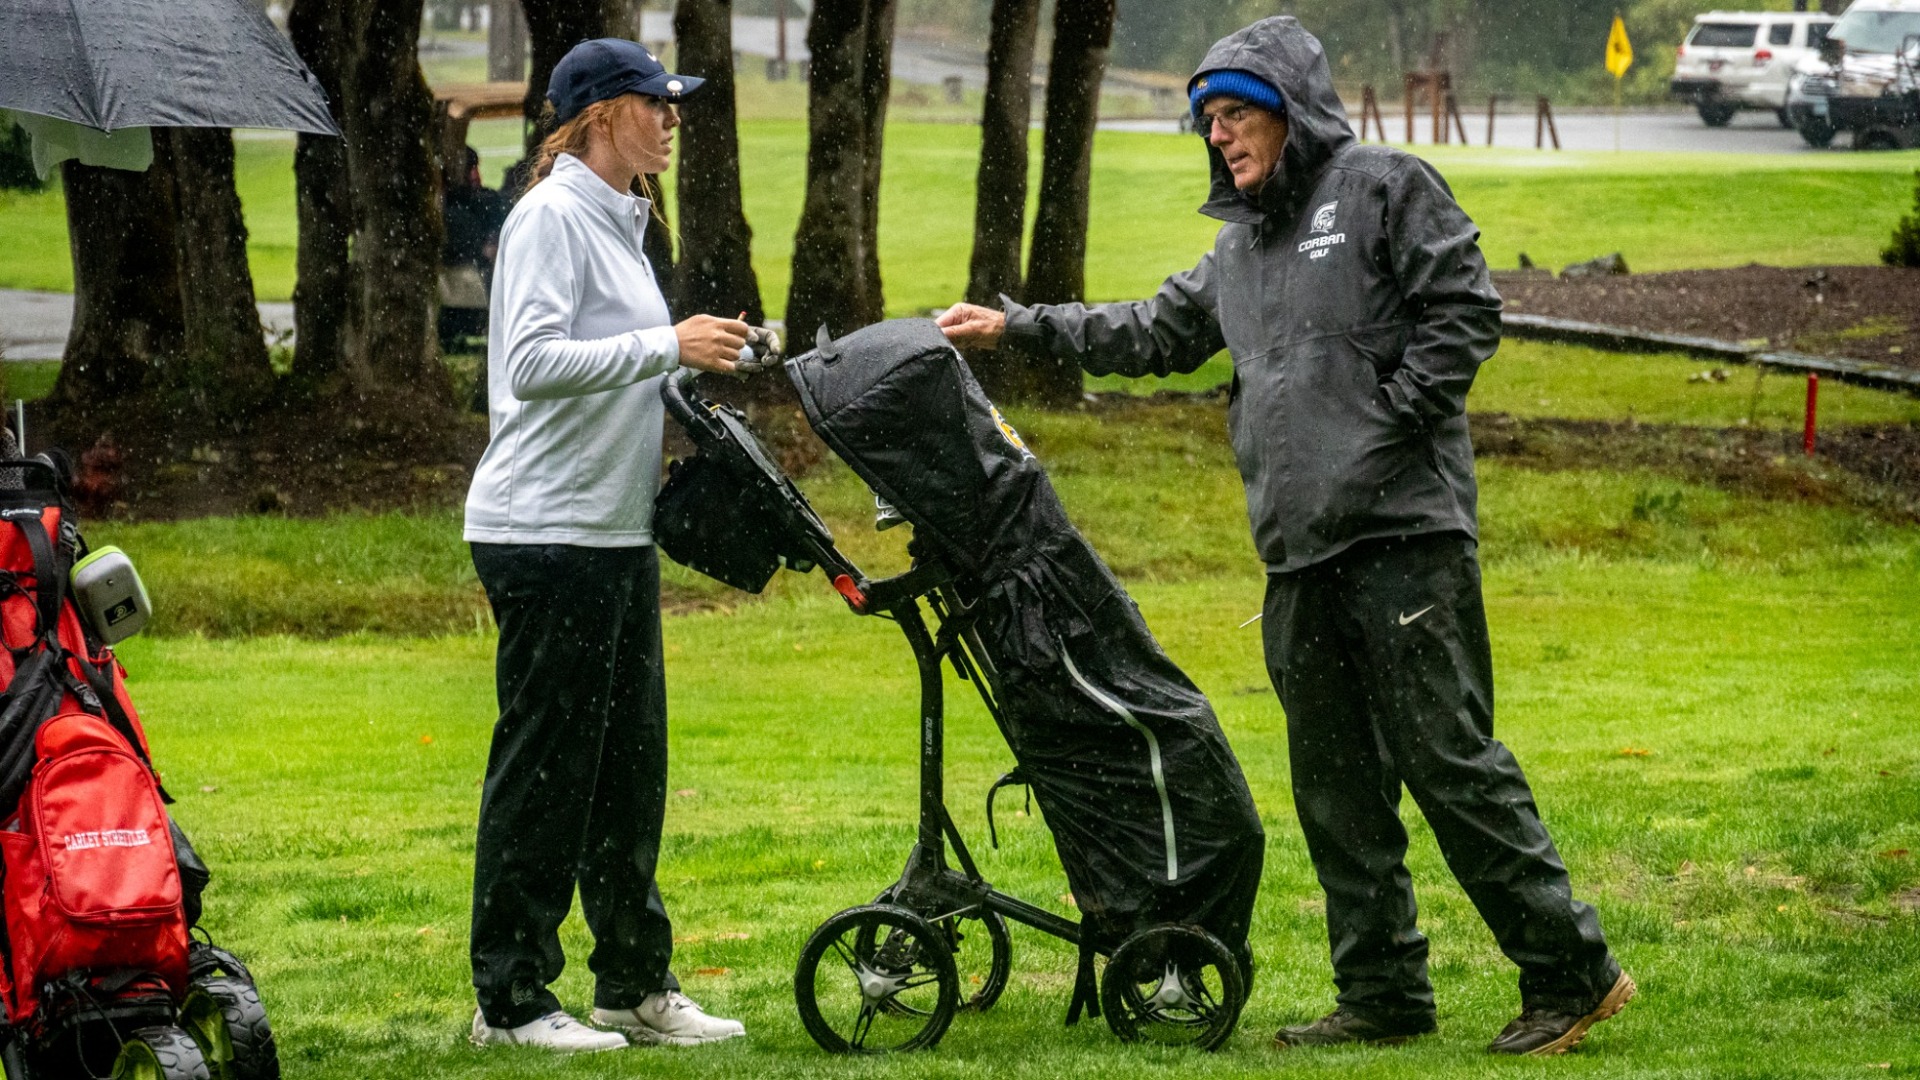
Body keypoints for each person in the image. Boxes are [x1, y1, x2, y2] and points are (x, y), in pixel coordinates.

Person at [937, 16, 1633, 1058]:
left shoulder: (1386, 186)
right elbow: (1150, 332)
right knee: (1337, 789)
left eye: (1236, 114)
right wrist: (1017, 325)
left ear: (1290, 108)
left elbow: (1464, 310)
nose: (1220, 136)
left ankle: (1571, 972)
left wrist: (1388, 418)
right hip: (1299, 558)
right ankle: (1384, 993)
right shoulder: (1239, 248)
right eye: (1207, 122)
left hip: (1404, 539)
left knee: (1449, 762)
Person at [462, 38, 754, 1054]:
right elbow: (533, 362)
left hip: (611, 531)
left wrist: (703, 361)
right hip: (544, 533)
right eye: (655, 103)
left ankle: (632, 983)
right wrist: (666, 343)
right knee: (548, 772)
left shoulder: (621, 221)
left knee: (627, 773)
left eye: (675, 105)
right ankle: (509, 1000)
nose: (673, 119)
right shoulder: (551, 217)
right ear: (595, 117)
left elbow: (621, 366)